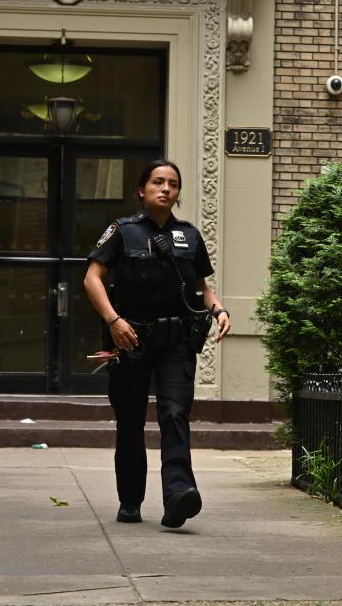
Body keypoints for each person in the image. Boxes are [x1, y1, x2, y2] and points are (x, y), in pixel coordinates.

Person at [83, 159, 231, 529]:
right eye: (158, 182)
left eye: (173, 184)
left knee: (175, 414)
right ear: (141, 189)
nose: (166, 189)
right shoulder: (123, 231)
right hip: (130, 339)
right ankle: (130, 501)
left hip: (176, 341)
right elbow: (92, 278)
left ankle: (178, 496)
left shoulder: (189, 235)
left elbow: (200, 285)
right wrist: (113, 321)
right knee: (130, 420)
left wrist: (218, 309)